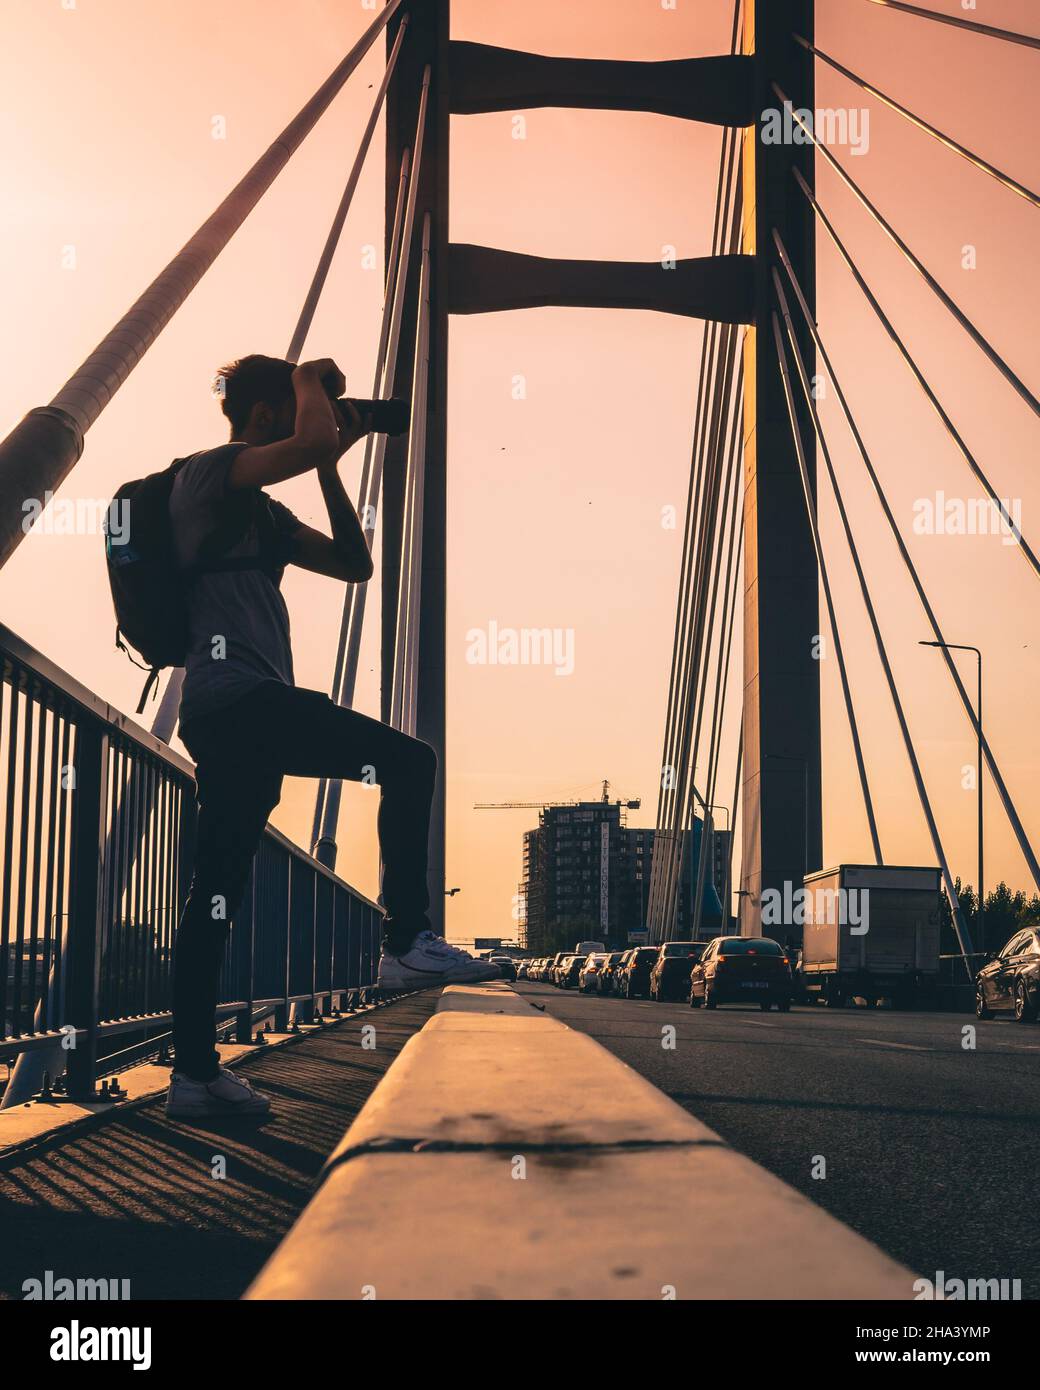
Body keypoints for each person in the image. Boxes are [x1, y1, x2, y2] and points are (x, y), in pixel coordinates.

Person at [165, 354, 498, 1120]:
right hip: (240, 703)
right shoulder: (208, 475)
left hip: (245, 716)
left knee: (215, 894)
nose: (311, 418)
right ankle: (406, 940)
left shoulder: (264, 513)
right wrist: (310, 377)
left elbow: (355, 564)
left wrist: (329, 466)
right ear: (265, 412)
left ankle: (193, 1078)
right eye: (299, 406)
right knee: (409, 762)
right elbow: (304, 440)